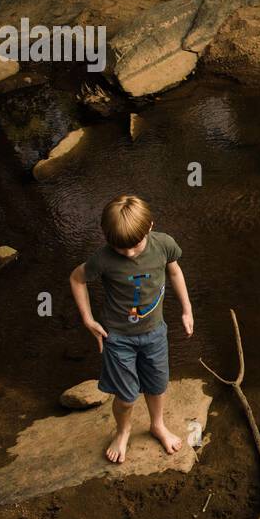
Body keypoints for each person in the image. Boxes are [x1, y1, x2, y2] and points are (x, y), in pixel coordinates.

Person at [69, 194, 194, 464]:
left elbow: (174, 272)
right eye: (119, 247)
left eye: (134, 246)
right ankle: (123, 430)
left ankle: (157, 424)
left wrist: (186, 309)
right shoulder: (103, 259)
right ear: (106, 237)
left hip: (155, 333)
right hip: (118, 338)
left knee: (157, 386)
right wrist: (88, 319)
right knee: (125, 397)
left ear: (150, 226)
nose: (128, 253)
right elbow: (77, 278)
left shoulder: (163, 245)